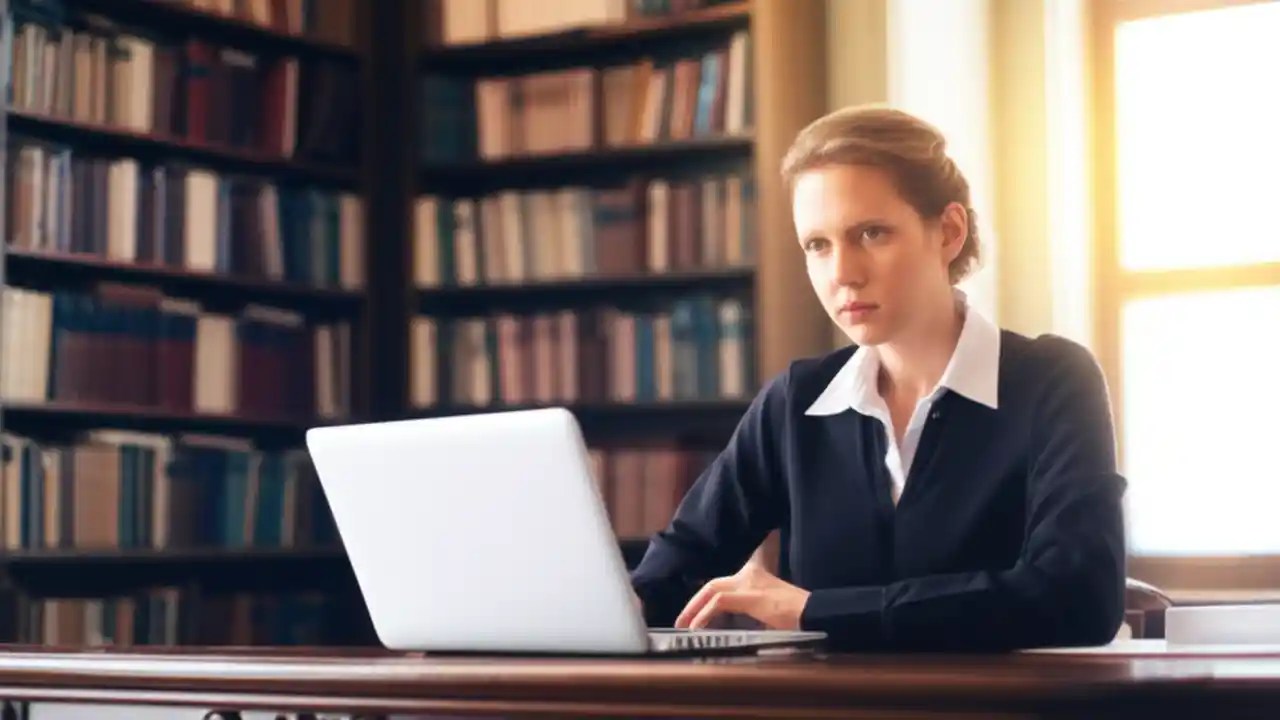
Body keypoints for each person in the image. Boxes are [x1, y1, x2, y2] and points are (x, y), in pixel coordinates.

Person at [628, 105, 1127, 652]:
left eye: (871, 233)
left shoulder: (1053, 382)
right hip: (828, 700)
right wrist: (612, 606)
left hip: (995, 700)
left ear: (949, 232)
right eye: (818, 245)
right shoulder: (796, 402)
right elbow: (672, 573)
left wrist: (813, 610)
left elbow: (1078, 597)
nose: (843, 273)